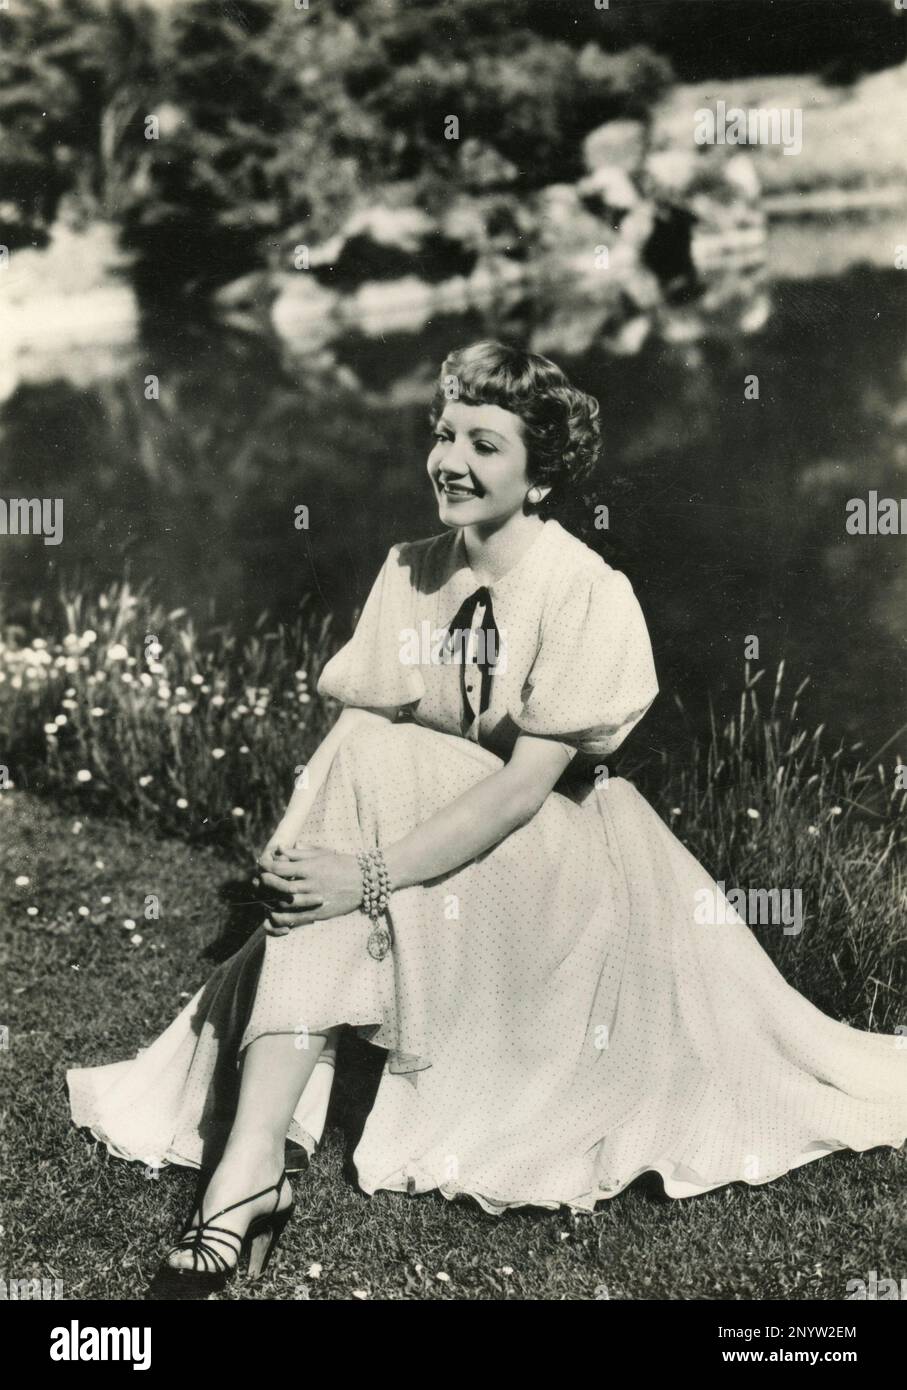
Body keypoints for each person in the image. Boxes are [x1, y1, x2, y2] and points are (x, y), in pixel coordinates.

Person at [67, 340, 907, 1296]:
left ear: (541, 475)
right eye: (442, 435)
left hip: (561, 865)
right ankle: (247, 1170)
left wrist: (363, 873)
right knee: (351, 789)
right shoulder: (408, 570)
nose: (450, 461)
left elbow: (517, 792)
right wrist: (301, 844)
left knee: (353, 828)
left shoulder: (587, 591)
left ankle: (251, 1176)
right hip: (444, 853)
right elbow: (357, 730)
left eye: (484, 444)